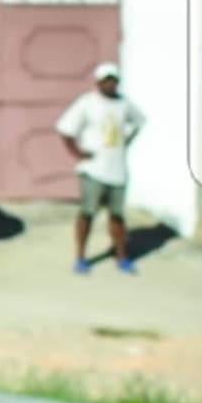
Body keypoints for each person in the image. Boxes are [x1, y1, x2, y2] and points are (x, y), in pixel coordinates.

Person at [56, 60, 146, 275]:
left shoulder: (124, 104)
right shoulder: (88, 103)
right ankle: (80, 256)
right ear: (98, 82)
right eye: (105, 80)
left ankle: (121, 255)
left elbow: (138, 122)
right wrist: (78, 153)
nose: (110, 84)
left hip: (117, 170)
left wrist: (126, 141)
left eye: (113, 80)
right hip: (93, 170)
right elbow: (65, 129)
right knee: (87, 213)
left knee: (117, 216)